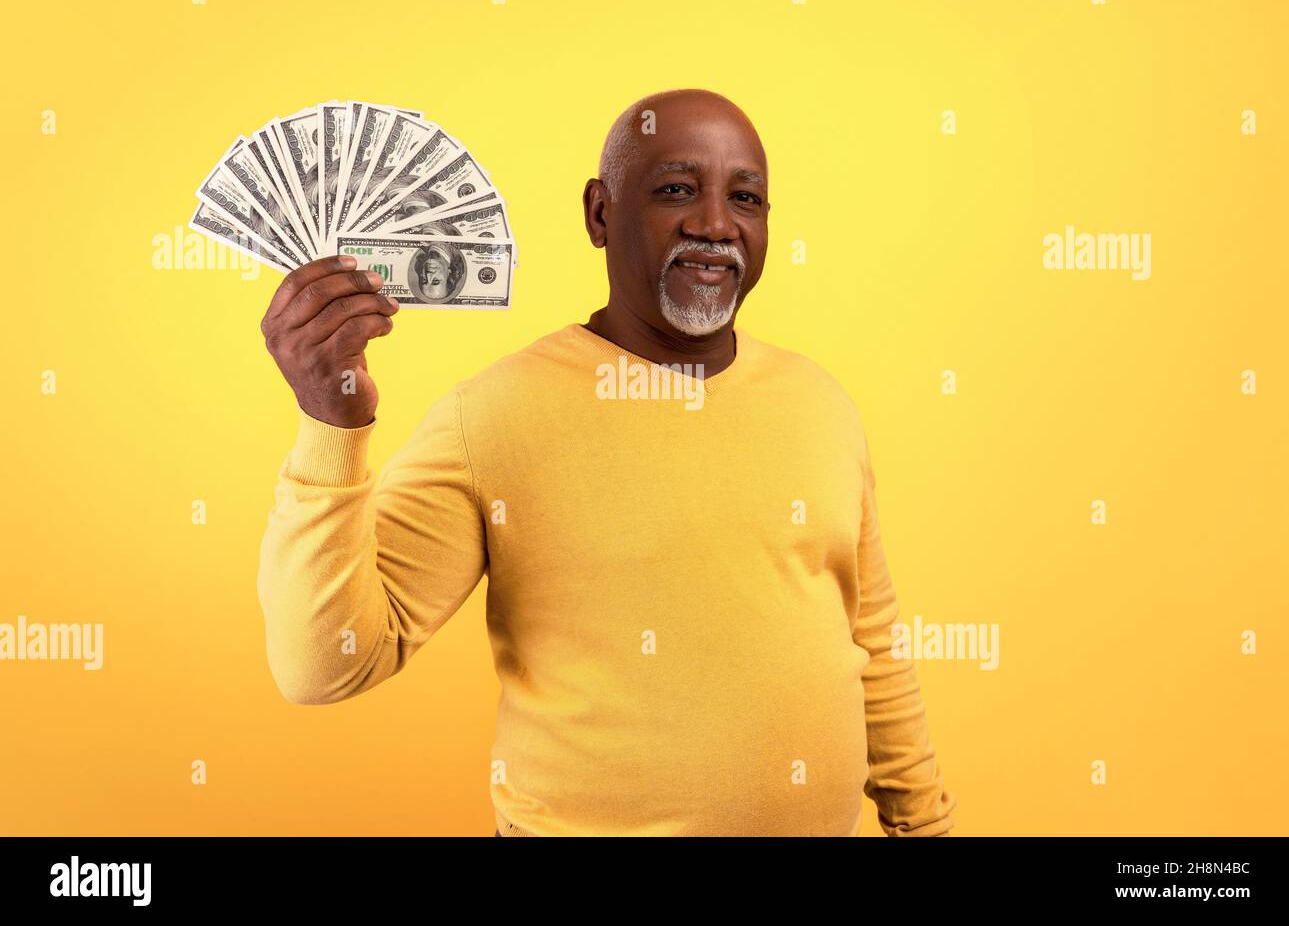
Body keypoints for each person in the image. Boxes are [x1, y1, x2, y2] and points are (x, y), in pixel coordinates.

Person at [256, 88, 956, 837]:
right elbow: (323, 665)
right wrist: (331, 423)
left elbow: (872, 640)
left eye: (744, 197)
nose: (715, 224)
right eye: (676, 190)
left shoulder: (821, 403)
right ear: (600, 212)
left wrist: (924, 824)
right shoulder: (493, 415)